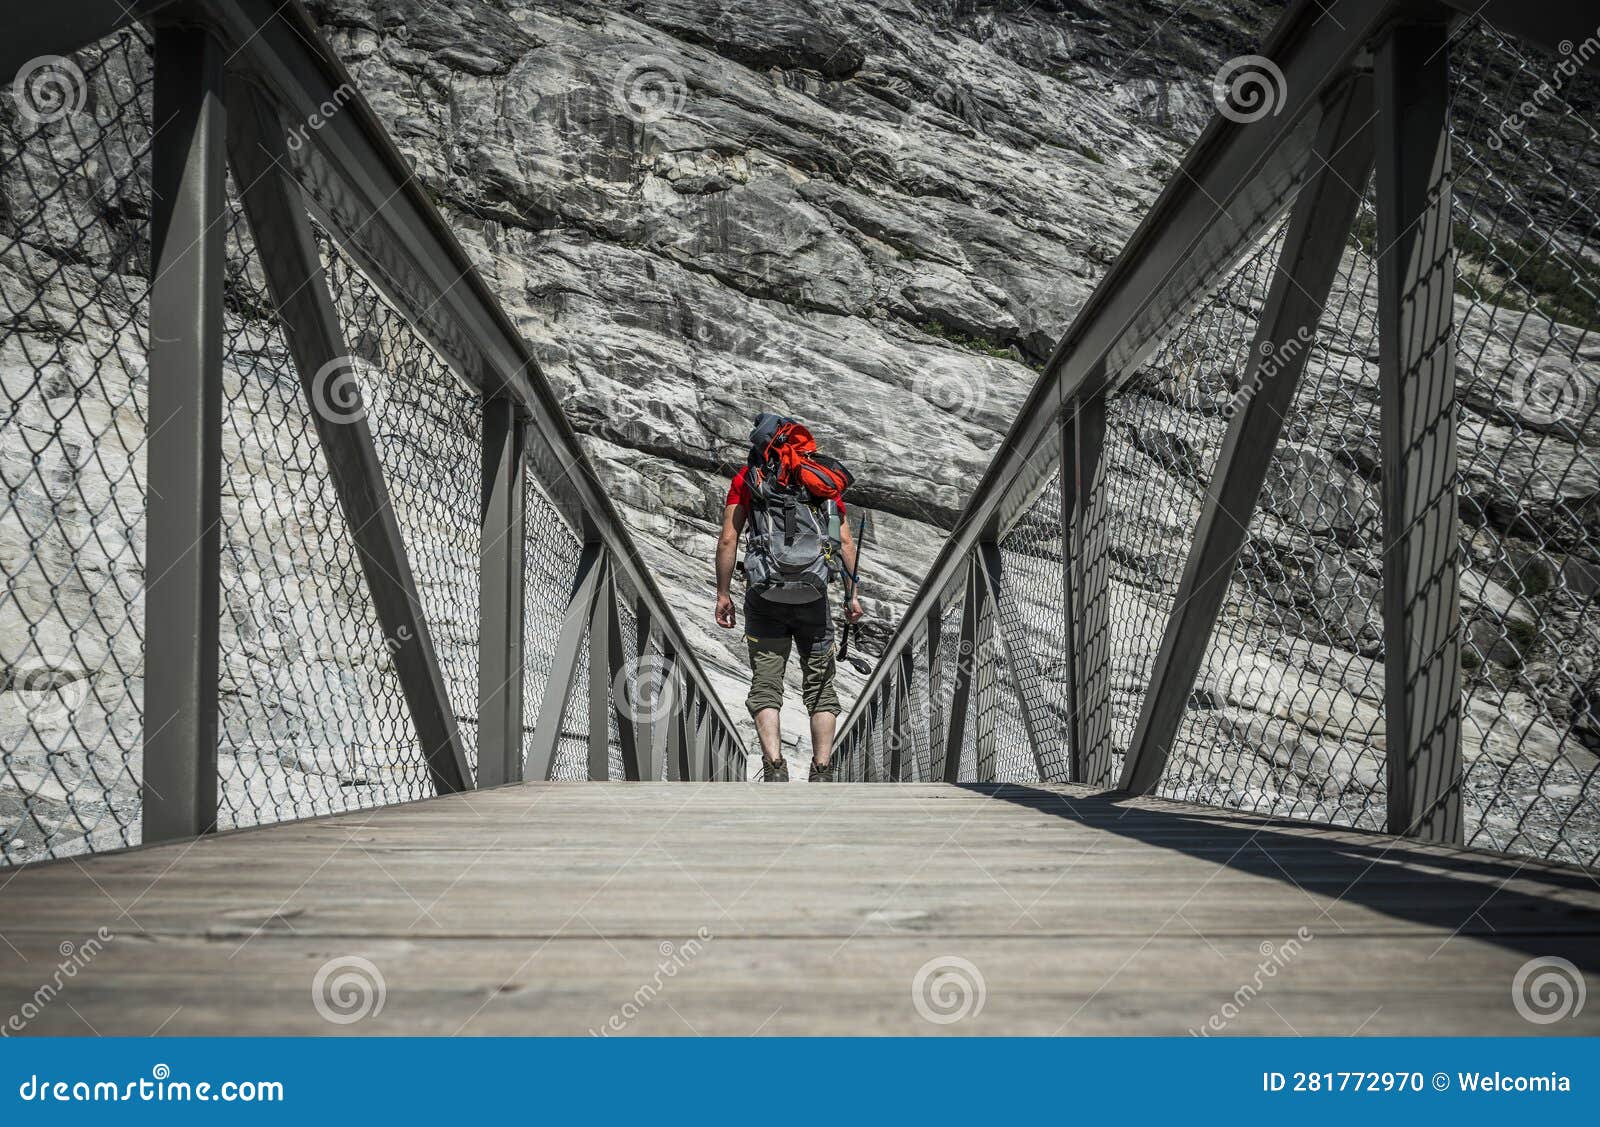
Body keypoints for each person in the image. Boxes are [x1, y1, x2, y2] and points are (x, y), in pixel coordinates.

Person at [714, 414, 864, 782]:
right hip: (813, 596)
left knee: (766, 683)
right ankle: (822, 770)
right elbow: (843, 542)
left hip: (764, 594)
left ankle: (775, 767)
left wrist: (723, 594)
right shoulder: (819, 479)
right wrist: (852, 596)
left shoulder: (748, 479)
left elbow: (729, 539)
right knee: (821, 685)